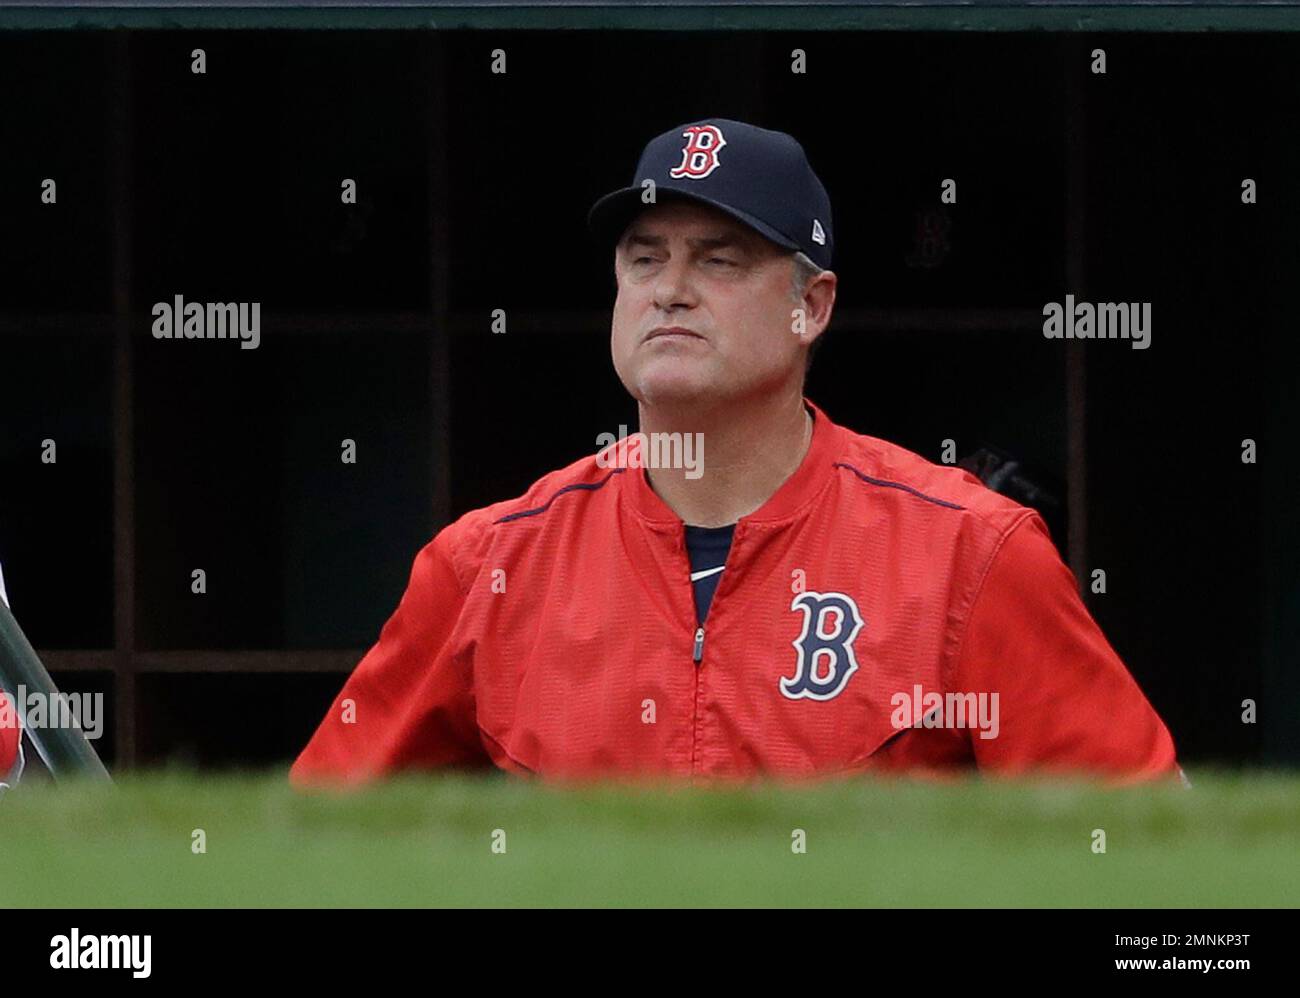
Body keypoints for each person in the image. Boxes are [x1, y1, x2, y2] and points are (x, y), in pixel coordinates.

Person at [291, 118, 1179, 787]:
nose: (670, 289)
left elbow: (1158, 870)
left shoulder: (970, 554)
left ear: (813, 307)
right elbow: (310, 849)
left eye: (719, 260)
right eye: (645, 260)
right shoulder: (485, 564)